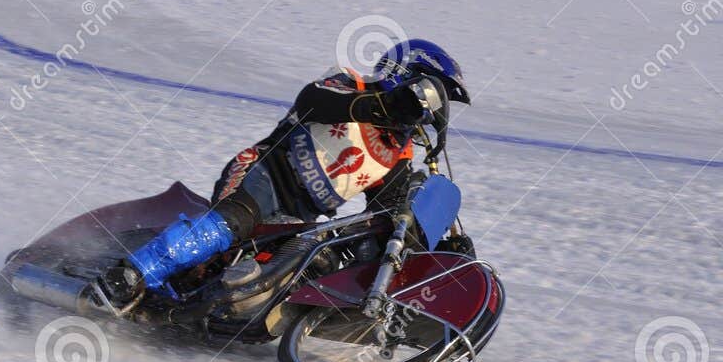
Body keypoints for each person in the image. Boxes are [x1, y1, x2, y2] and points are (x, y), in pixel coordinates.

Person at [92, 38, 472, 311]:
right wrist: (383, 104)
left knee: (304, 267)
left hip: (299, 218)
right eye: (437, 96)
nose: (436, 113)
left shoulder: (398, 154)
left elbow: (384, 218)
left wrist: (432, 249)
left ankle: (212, 309)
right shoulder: (350, 84)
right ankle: (129, 275)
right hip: (262, 177)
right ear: (408, 78)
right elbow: (312, 102)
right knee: (232, 223)